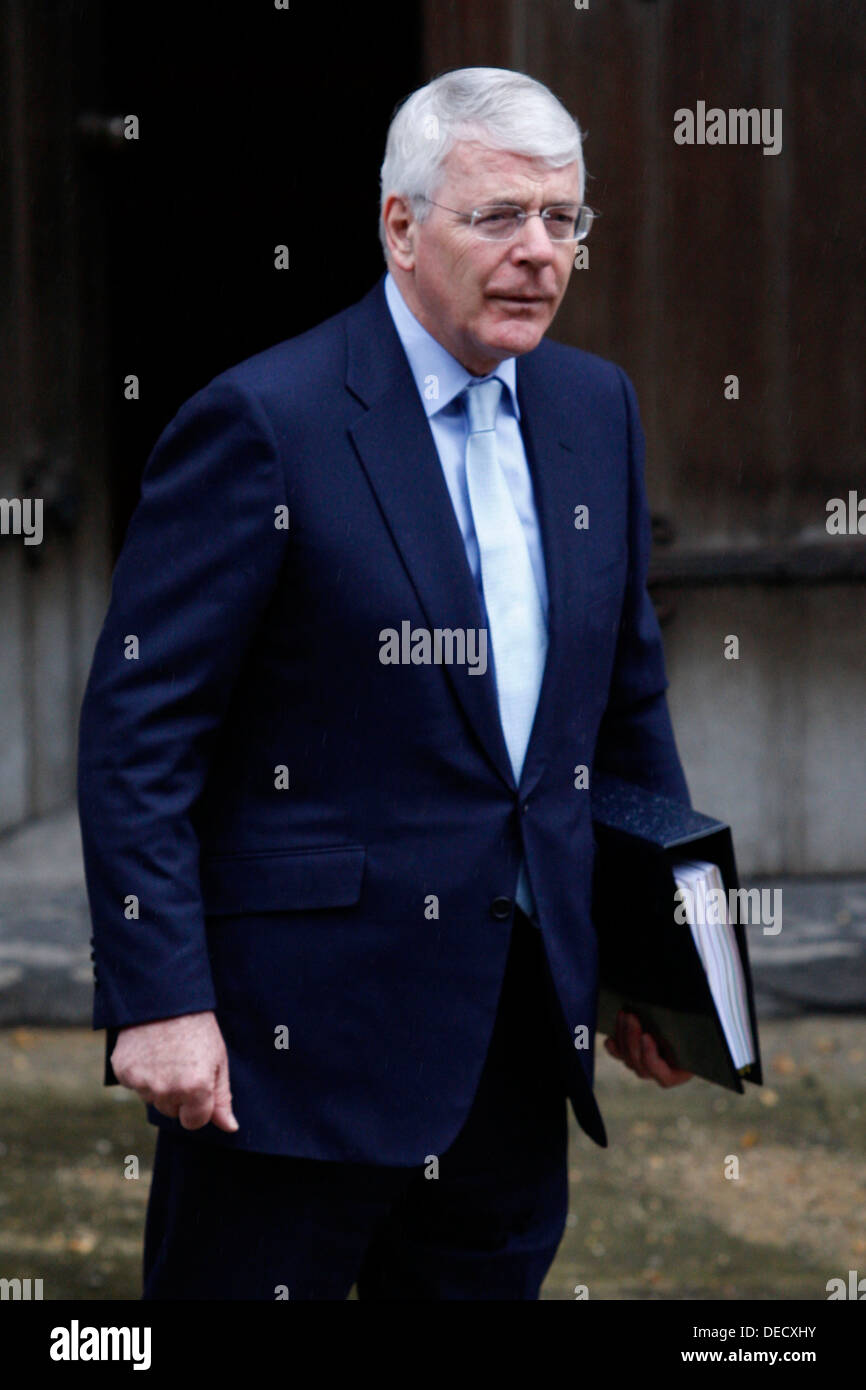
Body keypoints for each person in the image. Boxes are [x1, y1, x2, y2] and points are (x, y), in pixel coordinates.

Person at [77, 66, 693, 1302]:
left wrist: (661, 965)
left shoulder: (593, 409)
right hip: (285, 1056)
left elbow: (622, 710)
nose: (539, 252)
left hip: (515, 1042)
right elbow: (138, 728)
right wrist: (158, 1000)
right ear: (399, 226)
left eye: (562, 220)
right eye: (498, 216)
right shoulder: (262, 419)